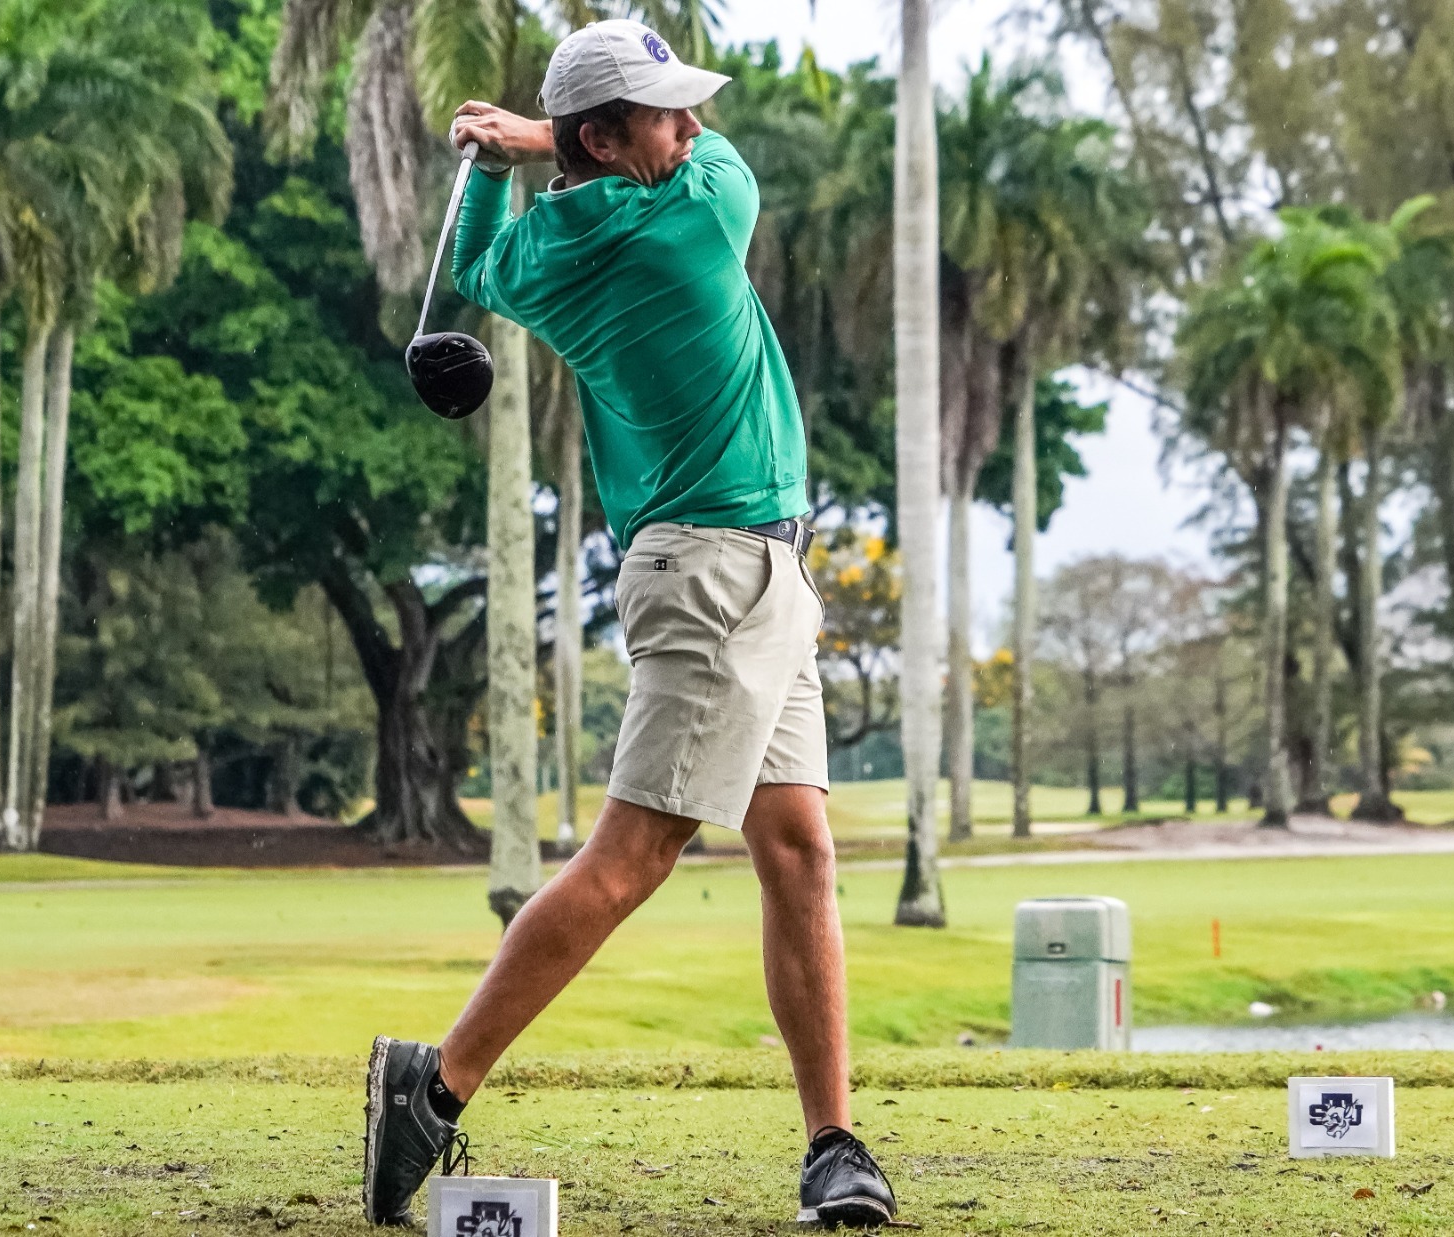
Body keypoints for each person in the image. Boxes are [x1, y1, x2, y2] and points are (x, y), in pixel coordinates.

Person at [361, 19, 897, 1229]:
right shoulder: (697, 217)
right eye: (667, 113)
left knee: (798, 850)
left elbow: (484, 259)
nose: (694, 127)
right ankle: (432, 1087)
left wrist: (503, 161)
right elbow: (720, 164)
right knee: (630, 864)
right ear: (608, 138)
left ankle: (833, 1144)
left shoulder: (539, 252)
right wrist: (537, 137)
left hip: (747, 575)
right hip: (716, 579)